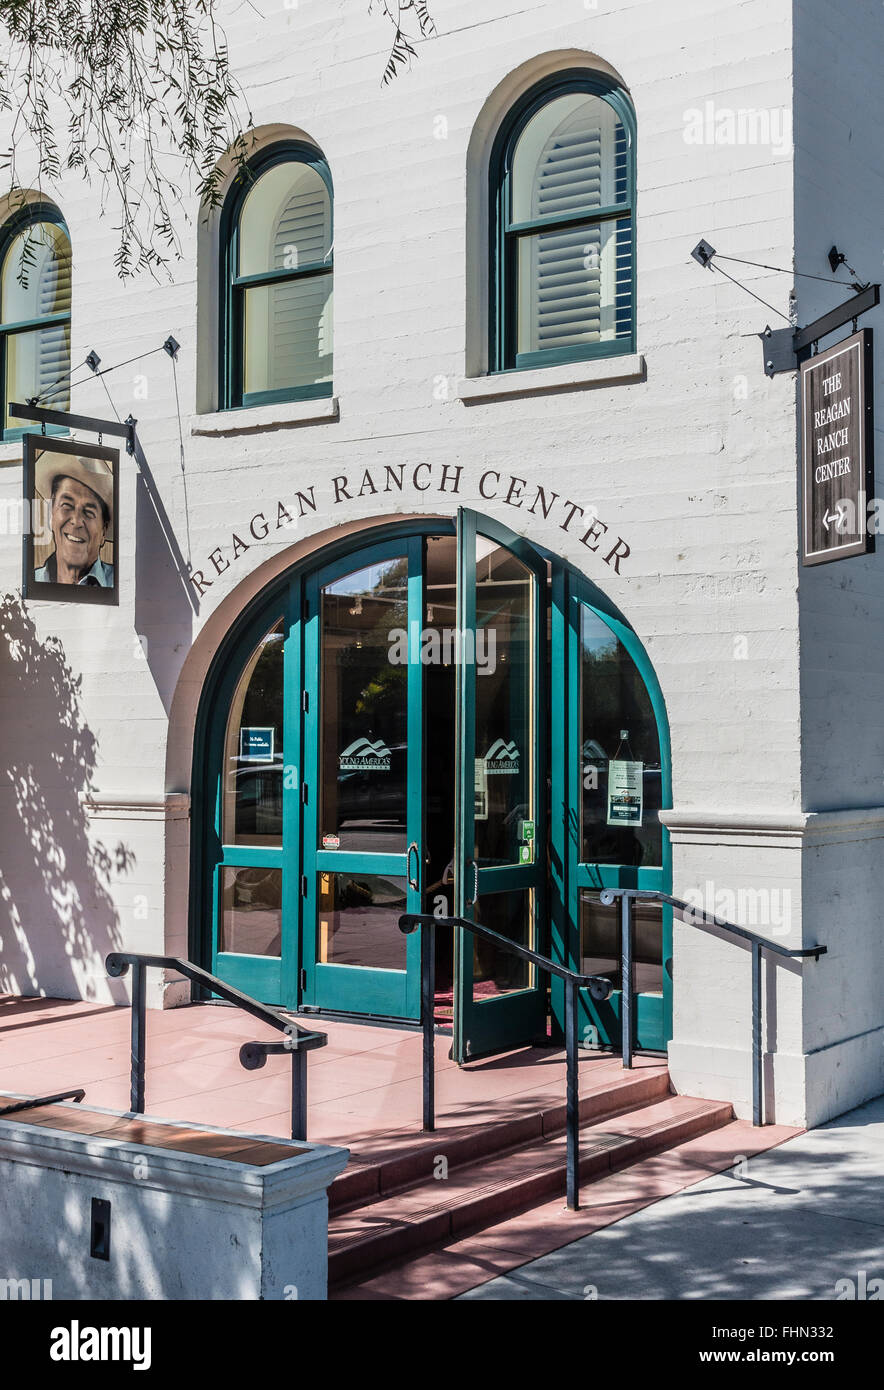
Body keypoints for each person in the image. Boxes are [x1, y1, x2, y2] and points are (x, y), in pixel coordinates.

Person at [33, 452, 115, 587]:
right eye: (67, 505)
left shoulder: (118, 583)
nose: (76, 521)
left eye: (89, 512)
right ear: (51, 514)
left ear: (104, 531)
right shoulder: (33, 581)